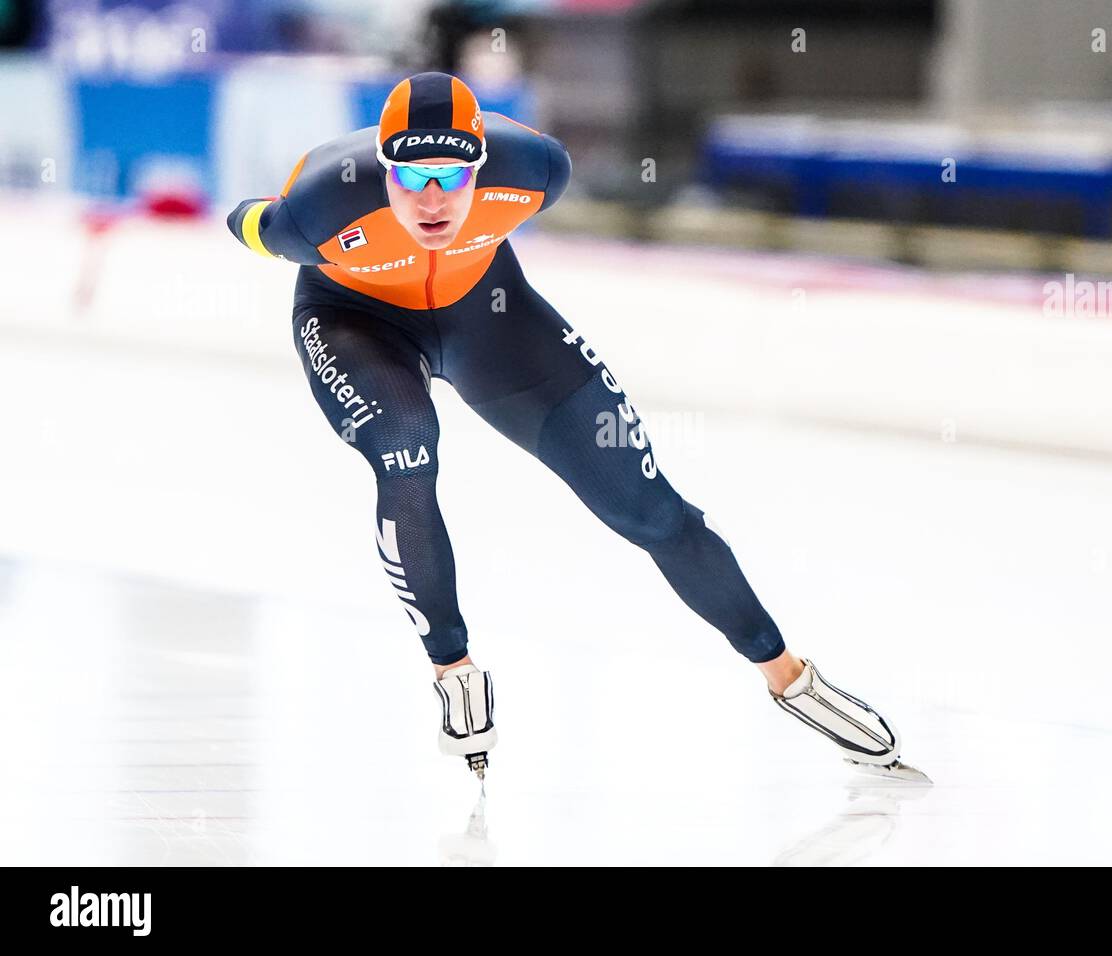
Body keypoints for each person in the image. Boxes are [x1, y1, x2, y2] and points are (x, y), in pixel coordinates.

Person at [227, 71, 928, 783]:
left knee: (651, 510)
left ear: (480, 165)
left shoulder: (533, 170)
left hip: (488, 318)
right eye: (411, 175)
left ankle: (789, 676)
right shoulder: (319, 209)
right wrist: (256, 217)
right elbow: (245, 221)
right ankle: (454, 667)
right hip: (355, 324)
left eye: (450, 174)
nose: (432, 199)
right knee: (407, 451)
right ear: (383, 169)